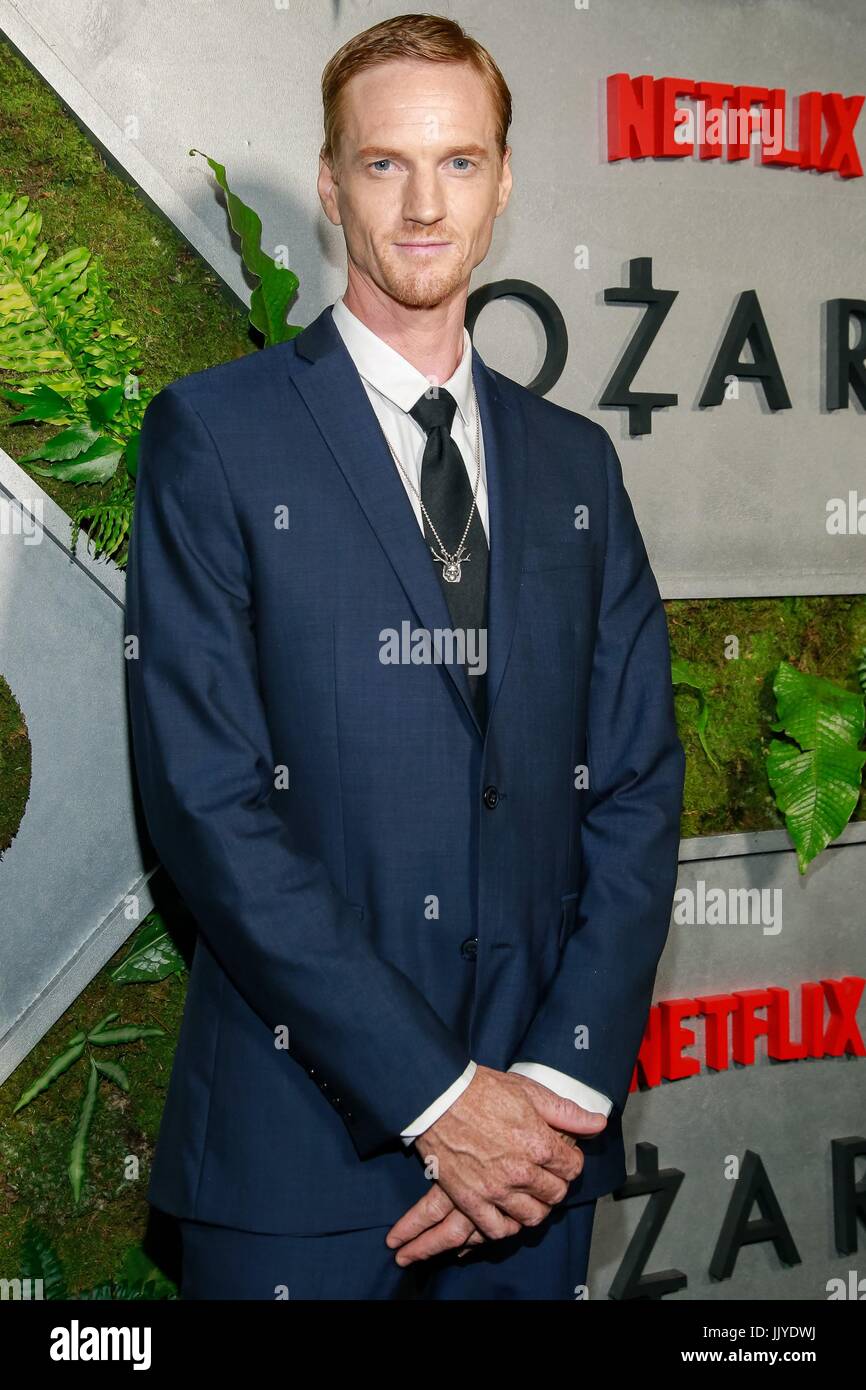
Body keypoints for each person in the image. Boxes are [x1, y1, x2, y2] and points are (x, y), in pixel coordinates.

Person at [124, 12, 685, 1301]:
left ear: (503, 182)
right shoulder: (217, 437)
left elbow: (640, 786)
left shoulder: (575, 464)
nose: (425, 204)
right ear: (330, 184)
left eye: (461, 161)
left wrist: (548, 1092)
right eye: (385, 164)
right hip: (297, 1171)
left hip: (538, 1174)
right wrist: (439, 1101)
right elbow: (205, 806)